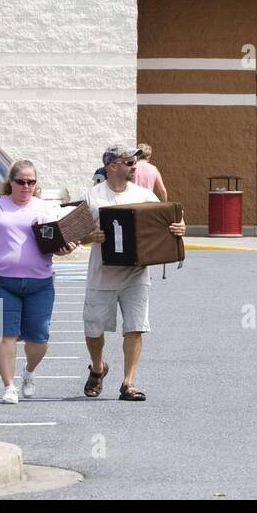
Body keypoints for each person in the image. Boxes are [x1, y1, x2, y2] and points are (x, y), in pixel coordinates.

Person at [0, 159, 78, 403]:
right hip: (0, 281)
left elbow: (58, 243)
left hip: (39, 284)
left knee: (38, 340)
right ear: (10, 182)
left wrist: (65, 248)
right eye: (20, 182)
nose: (26, 187)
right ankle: (9, 386)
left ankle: (29, 372)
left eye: (31, 182)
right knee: (4, 335)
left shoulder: (45, 208)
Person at [81, 144, 185, 401]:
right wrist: (90, 236)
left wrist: (179, 227)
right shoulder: (92, 197)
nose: (134, 167)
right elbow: (76, 235)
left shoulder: (144, 195)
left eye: (134, 163)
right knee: (94, 330)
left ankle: (128, 383)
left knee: (135, 328)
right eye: (129, 162)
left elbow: (169, 219)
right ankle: (98, 368)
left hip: (136, 275)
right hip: (101, 275)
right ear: (112, 166)